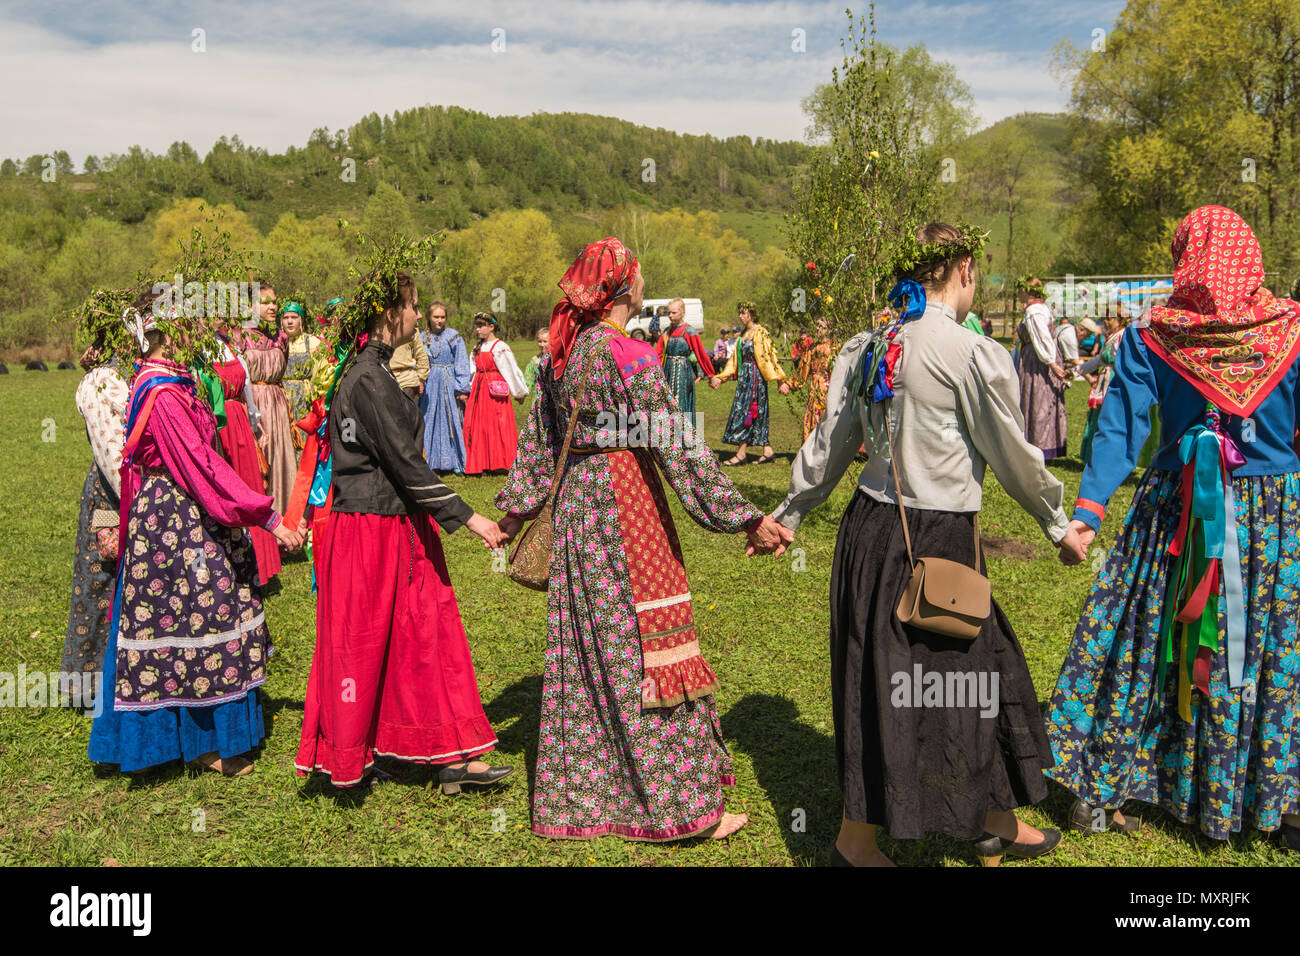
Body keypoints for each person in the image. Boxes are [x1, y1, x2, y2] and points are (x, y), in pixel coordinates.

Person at [772, 222, 1085, 867]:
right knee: (962, 683)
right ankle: (862, 842)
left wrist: (791, 512)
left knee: (902, 676)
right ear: (964, 269)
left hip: (869, 533)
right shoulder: (966, 352)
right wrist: (1059, 523)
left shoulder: (870, 345)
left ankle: (992, 817)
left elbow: (831, 444)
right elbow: (1012, 455)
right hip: (933, 539)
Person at [495, 237, 791, 841]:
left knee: (590, 651)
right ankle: (675, 807)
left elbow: (538, 443)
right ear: (625, 286)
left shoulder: (564, 352)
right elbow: (677, 446)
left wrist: (512, 516)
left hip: (578, 510)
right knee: (647, 646)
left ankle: (584, 801)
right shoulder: (628, 354)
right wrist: (744, 516)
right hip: (626, 507)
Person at [1047, 205, 1300, 848]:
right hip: (1273, 521)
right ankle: (1277, 800)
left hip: (1176, 516)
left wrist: (1089, 514)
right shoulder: (1290, 332)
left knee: (1140, 636)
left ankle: (1102, 785)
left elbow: (1120, 429)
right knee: (1266, 646)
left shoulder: (1153, 336)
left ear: (1188, 256)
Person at [296, 270, 513, 791]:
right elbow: (405, 463)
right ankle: (362, 753)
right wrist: (471, 517)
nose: (417, 316)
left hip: (390, 523)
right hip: (373, 528)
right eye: (412, 306)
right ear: (389, 312)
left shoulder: (368, 371)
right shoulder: (368, 379)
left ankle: (444, 753)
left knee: (419, 636)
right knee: (374, 643)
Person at [88, 296, 305, 776]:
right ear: (168, 334)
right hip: (174, 519)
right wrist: (267, 519)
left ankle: (204, 735)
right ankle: (201, 742)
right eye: (190, 326)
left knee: (201, 616)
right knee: (199, 615)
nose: (200, 333)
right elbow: (201, 467)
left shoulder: (174, 380)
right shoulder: (162, 393)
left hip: (188, 510)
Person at [63, 341, 128, 692]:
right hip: (111, 493)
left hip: (123, 490)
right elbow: (109, 449)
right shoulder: (102, 381)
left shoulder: (126, 374)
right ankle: (89, 685)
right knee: (102, 578)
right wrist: (133, 496)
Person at [212, 322, 280, 585]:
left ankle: (260, 566)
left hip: (239, 422)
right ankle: (233, 567)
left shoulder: (231, 346)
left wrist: (254, 425)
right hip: (220, 427)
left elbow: (247, 389)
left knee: (251, 489)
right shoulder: (201, 353)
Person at [231, 283, 294, 518]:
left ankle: (286, 522)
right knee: (259, 463)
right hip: (253, 403)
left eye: (274, 302)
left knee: (281, 461)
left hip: (277, 404)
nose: (272, 307)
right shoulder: (239, 337)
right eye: (265, 302)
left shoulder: (280, 337)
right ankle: (261, 524)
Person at [710, 302, 786, 465]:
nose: (740, 316)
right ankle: (767, 450)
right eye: (740, 313)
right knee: (755, 413)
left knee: (749, 412)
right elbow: (734, 361)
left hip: (755, 380)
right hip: (745, 379)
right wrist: (721, 377)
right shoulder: (743, 335)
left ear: (751, 314)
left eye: (743, 313)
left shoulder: (761, 333)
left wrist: (780, 380)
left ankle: (742, 453)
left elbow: (771, 357)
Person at [464, 311, 528, 475]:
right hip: (479, 392)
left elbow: (511, 371)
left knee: (497, 425)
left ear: (491, 327)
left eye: (481, 326)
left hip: (495, 393)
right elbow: (472, 371)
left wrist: (518, 393)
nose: (478, 330)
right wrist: (469, 390)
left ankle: (502, 462)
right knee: (481, 426)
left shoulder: (500, 347)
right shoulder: (476, 348)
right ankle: (482, 463)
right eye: (477, 326)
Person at [1016, 280, 1070, 461]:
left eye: (1020, 291)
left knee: (1039, 400)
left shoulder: (1034, 311)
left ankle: (1038, 446)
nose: (1018, 294)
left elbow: (1042, 338)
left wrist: (1051, 363)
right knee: (1043, 399)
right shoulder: (1040, 308)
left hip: (1038, 361)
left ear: (1027, 291)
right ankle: (1041, 445)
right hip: (1040, 357)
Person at [418, 301, 472, 474]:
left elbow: (462, 362)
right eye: (436, 317)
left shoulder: (453, 336)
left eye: (442, 317)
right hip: (430, 383)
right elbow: (418, 361)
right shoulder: (421, 337)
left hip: (449, 380)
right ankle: (430, 461)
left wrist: (461, 387)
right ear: (429, 317)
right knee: (429, 419)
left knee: (451, 419)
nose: (439, 320)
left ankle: (455, 460)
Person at [654, 296, 715, 427]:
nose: (670, 315)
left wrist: (710, 374)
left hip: (683, 372)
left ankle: (683, 436)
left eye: (673, 312)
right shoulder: (667, 332)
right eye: (668, 312)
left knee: (680, 401)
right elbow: (658, 353)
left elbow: (700, 353)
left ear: (682, 312)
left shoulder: (690, 331)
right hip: (668, 371)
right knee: (667, 402)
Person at [1077, 309, 1128, 466]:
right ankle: (1095, 456)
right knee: (1098, 417)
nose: (1105, 322)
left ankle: (1109, 458)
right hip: (1105, 379)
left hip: (1115, 382)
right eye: (1104, 319)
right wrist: (1077, 370)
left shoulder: (1123, 337)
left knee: (1110, 419)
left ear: (1119, 319)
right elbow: (1099, 360)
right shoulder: (1111, 337)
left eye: (1109, 319)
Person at [779, 315, 839, 443]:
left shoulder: (835, 347)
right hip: (815, 390)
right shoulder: (811, 349)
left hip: (830, 389)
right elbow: (802, 371)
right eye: (817, 326)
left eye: (822, 327)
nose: (818, 329)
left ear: (828, 329)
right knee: (812, 417)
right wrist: (789, 385)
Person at [281, 299, 327, 432]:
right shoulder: (275, 343)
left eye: (294, 317)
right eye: (286, 318)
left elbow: (323, 377)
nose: (290, 321)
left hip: (306, 403)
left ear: (301, 320)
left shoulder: (313, 343)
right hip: (282, 401)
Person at [389, 314, 430, 402]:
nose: (420, 316)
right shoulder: (378, 326)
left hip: (407, 383)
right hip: (383, 381)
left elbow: (421, 353)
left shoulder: (411, 325)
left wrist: (421, 379)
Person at [522, 326, 550, 398]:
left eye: (545, 341)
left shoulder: (557, 361)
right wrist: (521, 395)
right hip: (539, 399)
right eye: (540, 341)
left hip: (555, 401)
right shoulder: (535, 361)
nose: (542, 344)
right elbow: (528, 380)